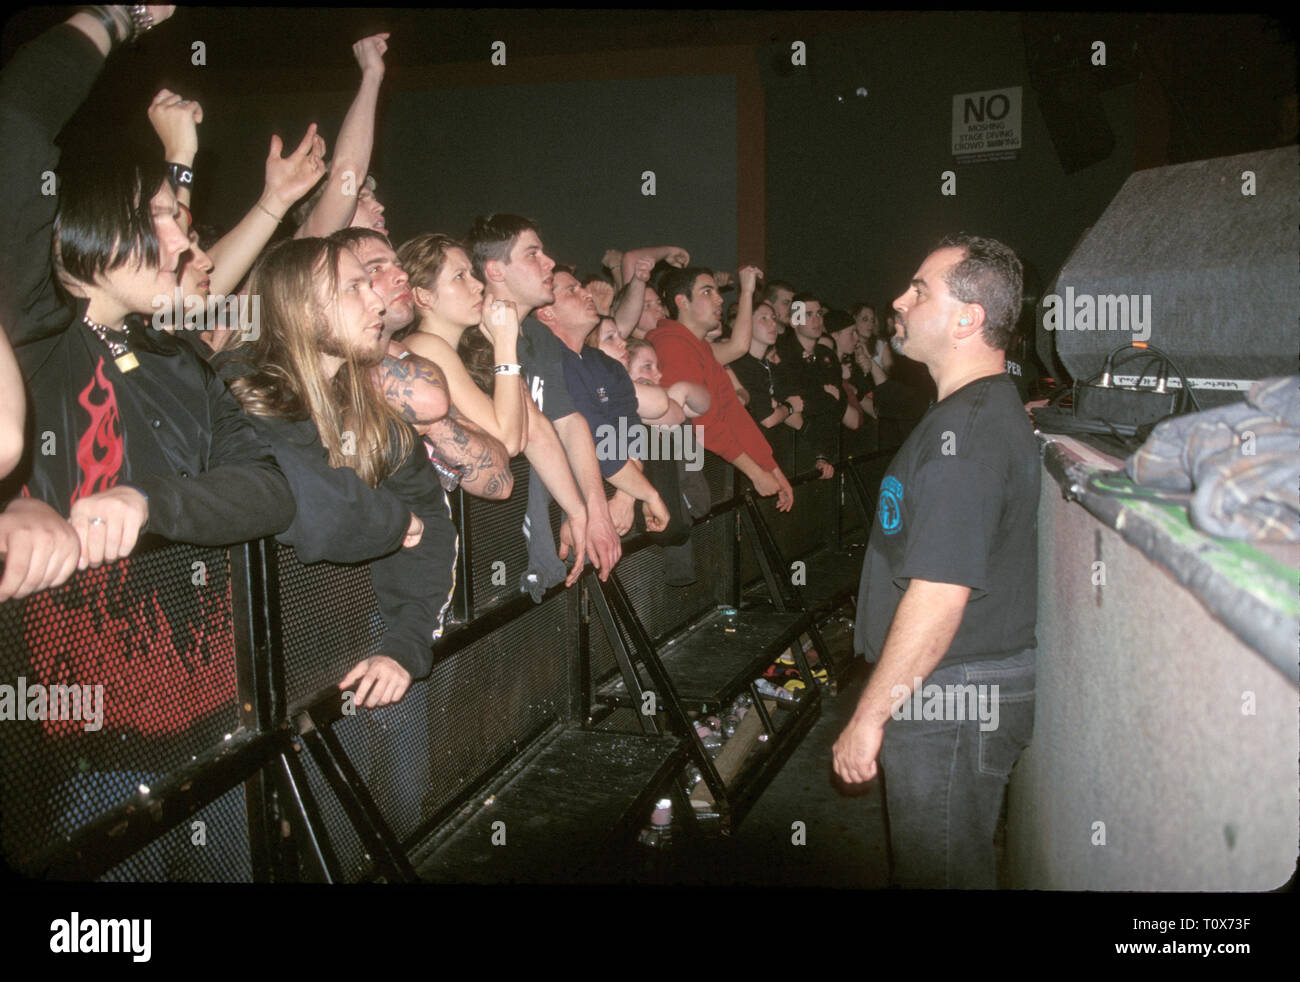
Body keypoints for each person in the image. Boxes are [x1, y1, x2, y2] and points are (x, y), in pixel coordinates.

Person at [0, 6, 295, 585]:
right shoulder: (34, 329)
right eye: (157, 217)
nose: (184, 242)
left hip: (186, 664)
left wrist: (149, 502)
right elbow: (16, 120)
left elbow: (270, 490)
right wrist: (116, 17)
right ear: (84, 220)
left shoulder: (178, 362)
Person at [832, 234, 1039, 890]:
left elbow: (940, 594)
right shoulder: (968, 413)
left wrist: (869, 716)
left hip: (951, 695)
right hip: (954, 687)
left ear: (967, 318)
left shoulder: (966, 438)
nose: (899, 299)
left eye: (920, 289)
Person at [219, 237, 458, 706]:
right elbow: (310, 503)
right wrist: (395, 522)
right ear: (299, 309)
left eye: (371, 285)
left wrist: (404, 645)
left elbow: (431, 522)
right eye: (354, 287)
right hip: (234, 687)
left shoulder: (367, 408)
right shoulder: (239, 386)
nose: (376, 300)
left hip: (341, 666)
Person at [464, 214, 622, 584]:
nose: (549, 261)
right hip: (482, 534)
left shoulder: (538, 336)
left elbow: (569, 422)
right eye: (532, 253)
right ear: (496, 271)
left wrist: (592, 511)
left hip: (538, 530)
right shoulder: (468, 340)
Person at [329, 228, 514, 500]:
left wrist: (435, 425)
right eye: (376, 268)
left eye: (398, 265)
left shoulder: (408, 361)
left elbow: (501, 480)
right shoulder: (331, 373)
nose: (402, 276)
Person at [649, 267, 794, 510]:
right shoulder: (670, 343)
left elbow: (733, 412)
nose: (719, 299)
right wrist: (756, 473)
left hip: (688, 474)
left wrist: (774, 471)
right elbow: (705, 422)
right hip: (668, 477)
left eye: (717, 292)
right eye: (708, 292)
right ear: (682, 301)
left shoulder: (700, 347)